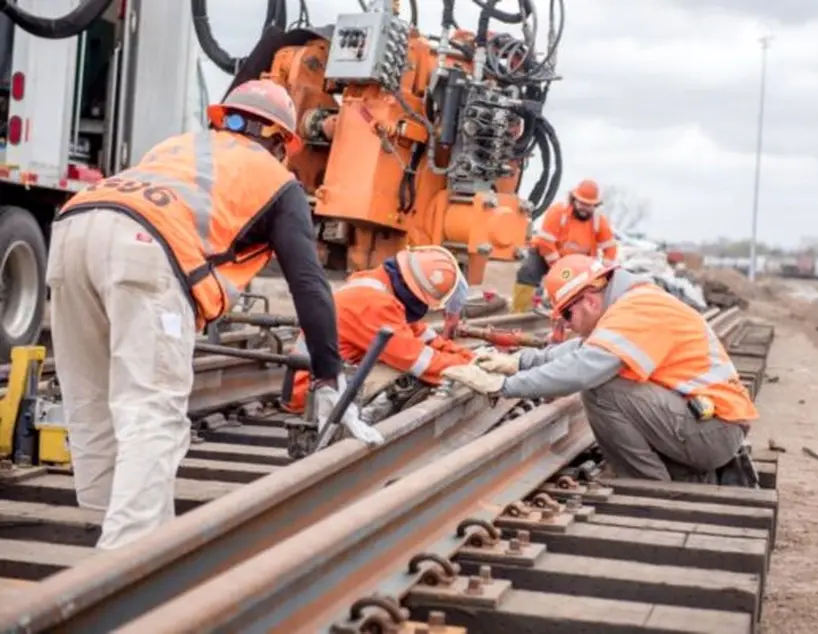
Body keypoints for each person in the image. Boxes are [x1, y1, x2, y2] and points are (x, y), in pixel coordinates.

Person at [45, 78, 380, 551]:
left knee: (92, 402)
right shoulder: (277, 181)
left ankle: (123, 531)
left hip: (71, 230)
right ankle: (121, 565)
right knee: (151, 411)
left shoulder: (178, 145)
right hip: (150, 252)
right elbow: (308, 285)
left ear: (225, 117)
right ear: (283, 141)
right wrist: (328, 376)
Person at [443, 254, 759, 484]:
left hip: (714, 431)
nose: (567, 326)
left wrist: (504, 387)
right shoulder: (630, 304)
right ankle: (682, 479)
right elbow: (582, 351)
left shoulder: (637, 309)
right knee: (603, 376)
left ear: (589, 301)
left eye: (566, 316)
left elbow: (584, 368)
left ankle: (646, 489)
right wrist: (518, 362)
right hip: (709, 425)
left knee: (601, 387)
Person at [283, 246, 476, 414]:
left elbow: (425, 339)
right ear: (414, 293)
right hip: (310, 393)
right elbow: (421, 361)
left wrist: (471, 358)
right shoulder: (373, 304)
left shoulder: (380, 287)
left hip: (318, 380)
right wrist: (472, 370)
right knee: (402, 373)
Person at [511, 179, 618, 313]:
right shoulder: (558, 212)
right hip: (547, 255)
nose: (585, 208)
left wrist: (603, 270)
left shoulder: (598, 221)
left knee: (584, 289)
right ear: (574, 200)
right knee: (528, 271)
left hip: (579, 265)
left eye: (589, 205)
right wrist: (559, 267)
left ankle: (570, 316)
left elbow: (611, 248)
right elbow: (545, 242)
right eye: (582, 203)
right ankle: (519, 312)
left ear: (595, 205)